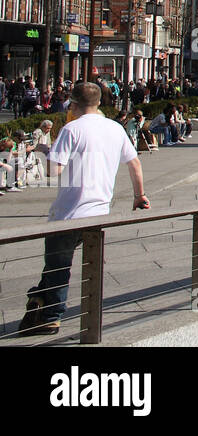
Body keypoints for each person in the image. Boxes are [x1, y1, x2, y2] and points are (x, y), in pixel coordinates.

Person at [19, 82, 149, 337]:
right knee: (64, 265)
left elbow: (53, 171)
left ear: (73, 104)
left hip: (68, 213)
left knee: (58, 265)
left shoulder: (71, 130)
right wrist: (139, 196)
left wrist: (47, 152)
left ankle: (51, 316)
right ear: (99, 102)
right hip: (99, 212)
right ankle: (40, 299)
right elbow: (134, 163)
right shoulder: (115, 128)